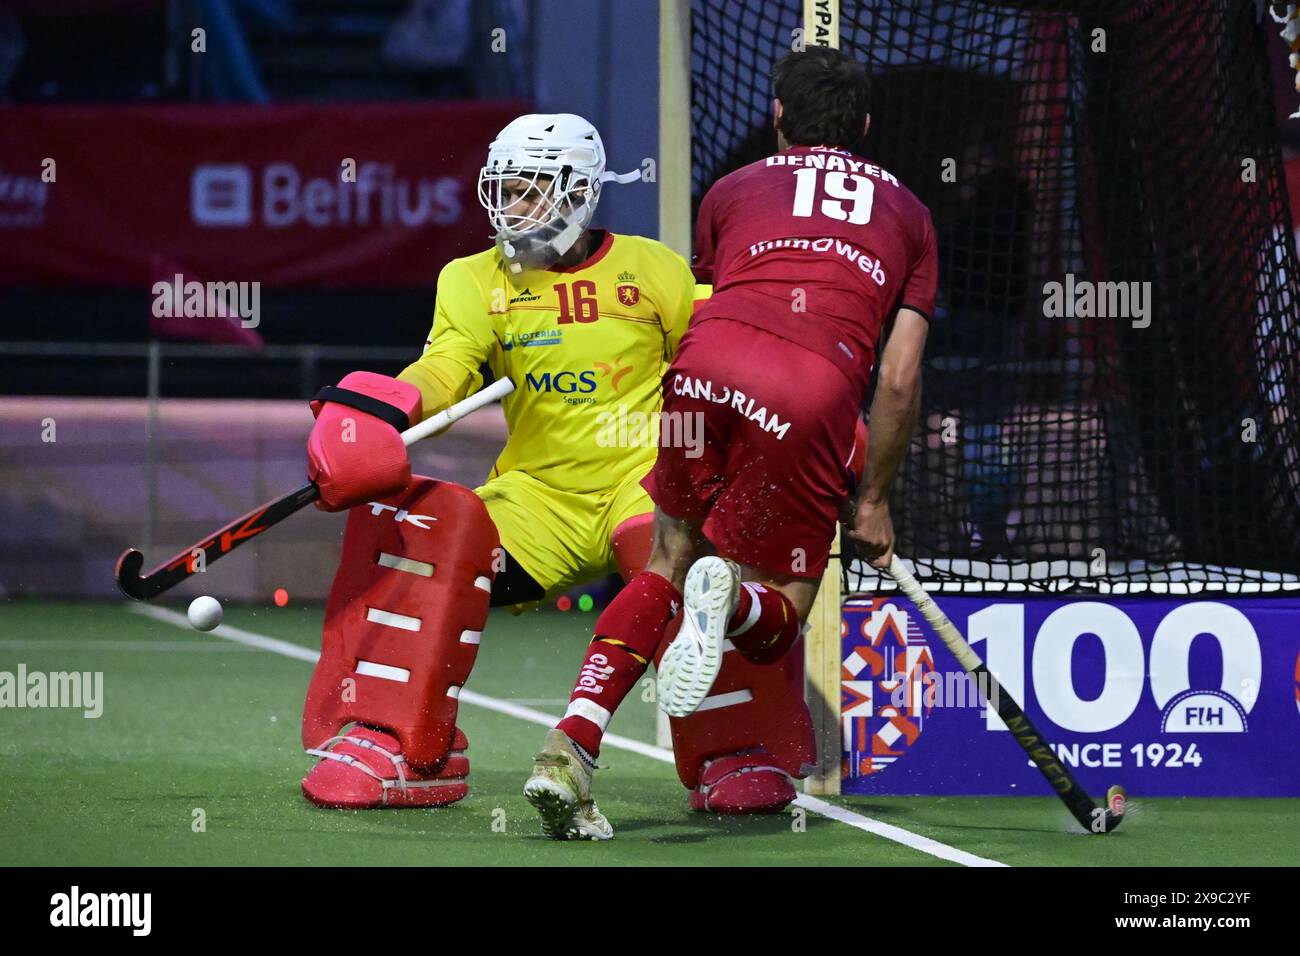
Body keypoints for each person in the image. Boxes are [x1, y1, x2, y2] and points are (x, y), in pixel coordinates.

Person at [626, 45, 934, 727]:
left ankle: (577, 739)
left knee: (669, 552)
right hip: (812, 389)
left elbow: (719, 305)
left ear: (776, 116)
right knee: (785, 613)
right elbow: (900, 379)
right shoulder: (911, 215)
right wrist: (874, 501)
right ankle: (732, 603)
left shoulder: (729, 190)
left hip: (705, 362)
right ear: (865, 127)